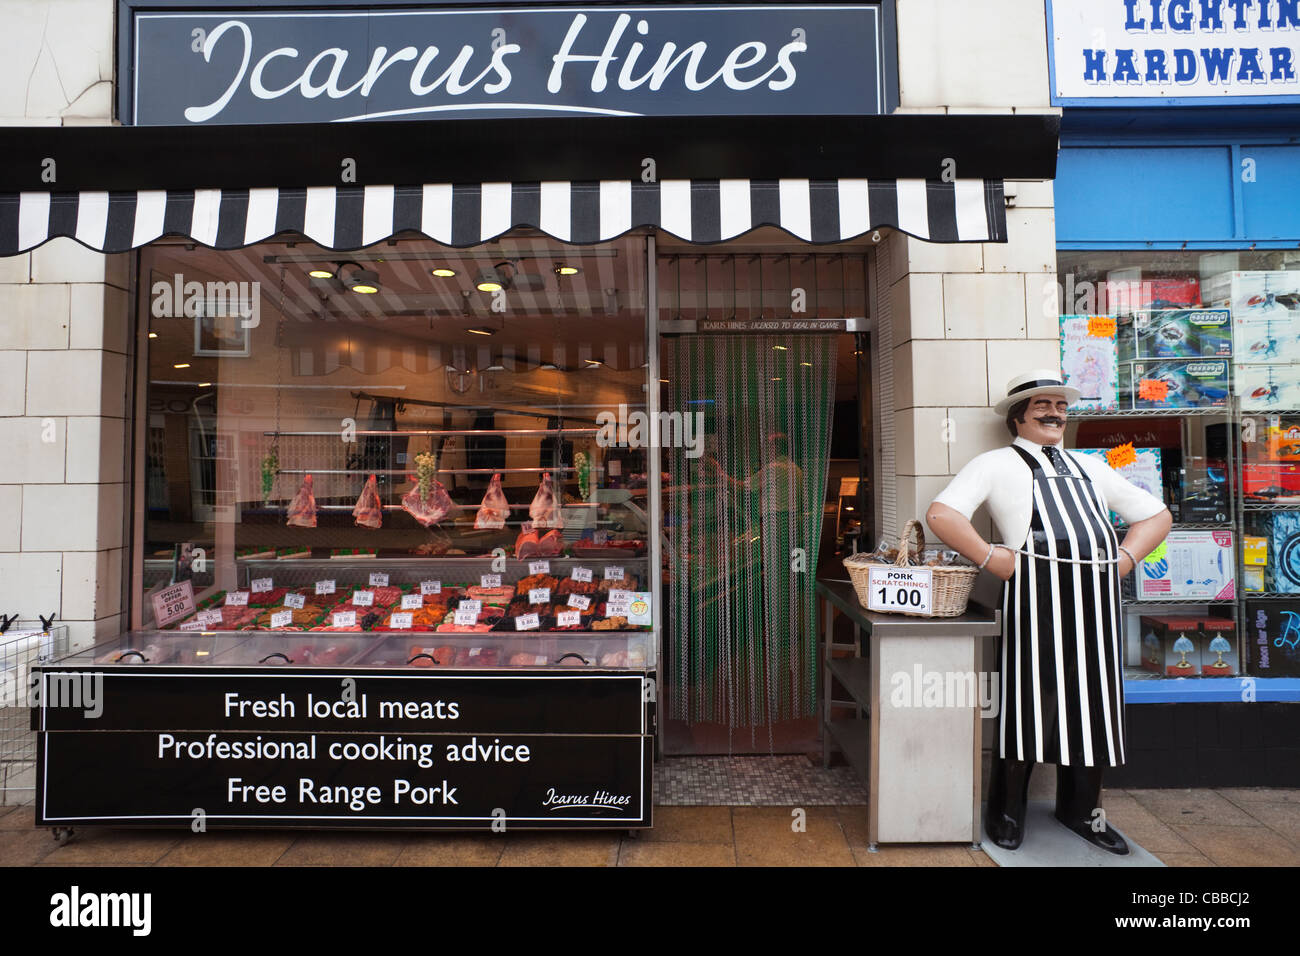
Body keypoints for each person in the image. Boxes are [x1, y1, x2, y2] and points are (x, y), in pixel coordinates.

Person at [925, 369, 1172, 854]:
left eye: (1060, 406)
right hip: (1034, 597)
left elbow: (1156, 514)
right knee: (1026, 704)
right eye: (1042, 405)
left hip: (1096, 604)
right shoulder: (994, 464)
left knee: (1093, 706)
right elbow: (942, 514)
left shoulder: (1090, 466)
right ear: (1018, 416)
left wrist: (1123, 560)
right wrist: (992, 558)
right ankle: (1006, 810)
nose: (1054, 413)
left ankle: (1082, 811)